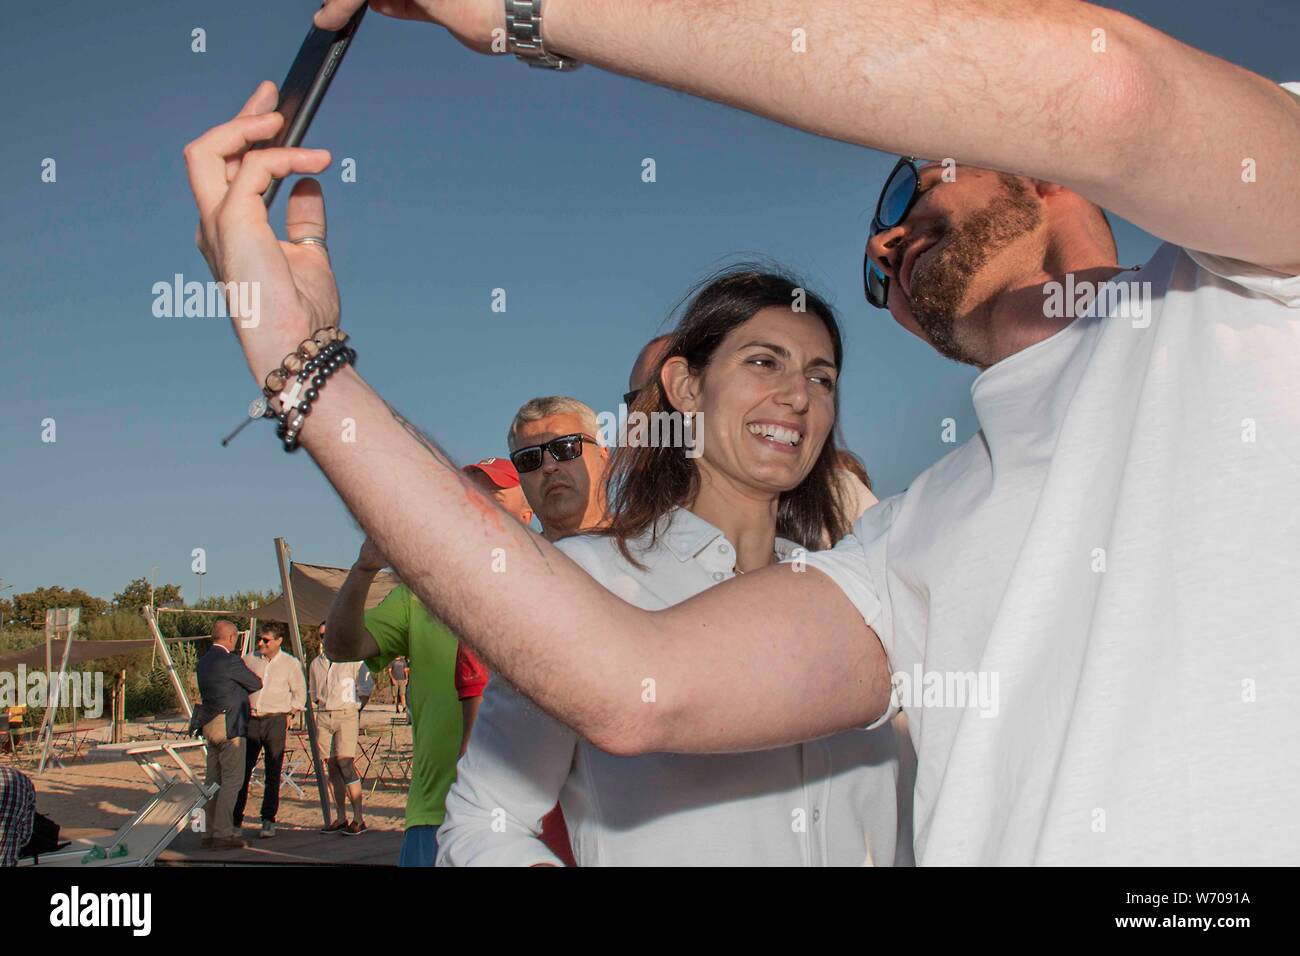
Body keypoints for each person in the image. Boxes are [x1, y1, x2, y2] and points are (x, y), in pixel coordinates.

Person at [186, 1, 1300, 864]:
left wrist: (528, 14)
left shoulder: (1257, 283)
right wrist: (302, 363)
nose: (878, 247)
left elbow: (1109, 90)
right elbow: (630, 682)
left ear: (1040, 165)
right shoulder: (910, 537)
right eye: (765, 358)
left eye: (909, 179)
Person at [439, 268, 909, 866]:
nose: (799, 395)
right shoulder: (586, 580)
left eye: (821, 376)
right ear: (686, 388)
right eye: (765, 361)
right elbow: (485, 821)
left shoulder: (861, 591)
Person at [325, 457, 526, 867]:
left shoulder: (551, 587)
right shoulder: (420, 592)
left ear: (527, 512)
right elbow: (342, 647)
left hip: (524, 816)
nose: (476, 502)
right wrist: (364, 568)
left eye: (493, 493)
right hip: (435, 814)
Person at [191, 620, 261, 850]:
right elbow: (255, 682)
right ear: (232, 637)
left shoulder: (204, 661)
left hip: (209, 723)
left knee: (212, 781)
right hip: (229, 725)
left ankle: (206, 833)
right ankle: (223, 833)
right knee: (232, 780)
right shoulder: (230, 660)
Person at [233, 621, 307, 839]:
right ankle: (236, 819)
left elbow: (300, 693)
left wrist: (291, 713)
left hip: (275, 719)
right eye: (260, 639)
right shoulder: (249, 659)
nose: (261, 643)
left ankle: (267, 820)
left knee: (273, 771)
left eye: (266, 640)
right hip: (251, 719)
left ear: (279, 641)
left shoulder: (290, 664)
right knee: (243, 772)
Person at [507, 397, 608, 539]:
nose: (549, 466)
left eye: (565, 448)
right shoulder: (512, 560)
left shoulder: (647, 548)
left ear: (603, 456)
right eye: (529, 458)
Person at [308, 638, 367, 835]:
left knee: (345, 763)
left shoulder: (353, 659)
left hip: (346, 713)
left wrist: (355, 710)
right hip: (324, 715)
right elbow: (314, 692)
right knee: (331, 765)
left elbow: (366, 688)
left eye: (328, 634)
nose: (325, 639)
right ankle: (341, 817)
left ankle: (358, 817)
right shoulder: (316, 663)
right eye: (322, 635)